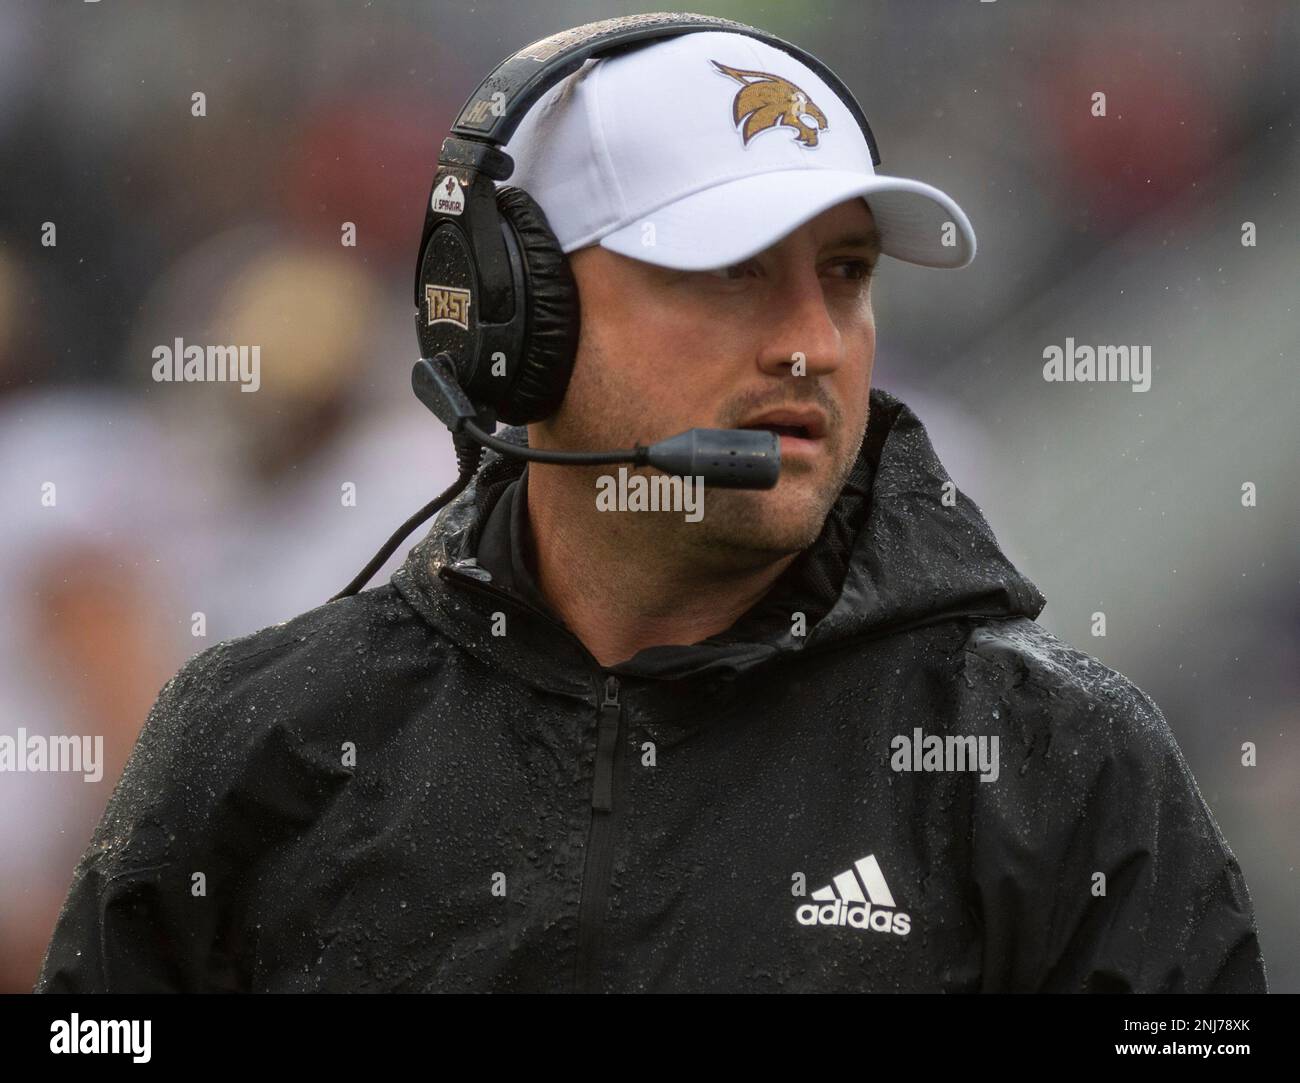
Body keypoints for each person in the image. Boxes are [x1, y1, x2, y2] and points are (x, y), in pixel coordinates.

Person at [34, 24, 1266, 993]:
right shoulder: (264, 740)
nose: (812, 345)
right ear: (517, 322)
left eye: (843, 275)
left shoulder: (1055, 763)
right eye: (729, 273)